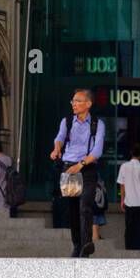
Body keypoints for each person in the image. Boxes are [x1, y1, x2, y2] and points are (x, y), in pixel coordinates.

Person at [50, 88, 106, 258]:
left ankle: (87, 244)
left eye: (77, 101)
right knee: (73, 210)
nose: (74, 104)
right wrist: (56, 148)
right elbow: (59, 137)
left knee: (85, 206)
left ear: (88, 104)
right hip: (68, 167)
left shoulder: (97, 124)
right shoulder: (67, 121)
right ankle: (77, 244)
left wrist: (80, 164)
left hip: (87, 169)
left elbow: (97, 151)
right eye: (72, 101)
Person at [117, 143, 140, 251]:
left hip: (129, 203)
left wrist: (122, 200)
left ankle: (129, 249)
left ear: (130, 153)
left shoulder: (124, 167)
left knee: (129, 228)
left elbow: (122, 185)